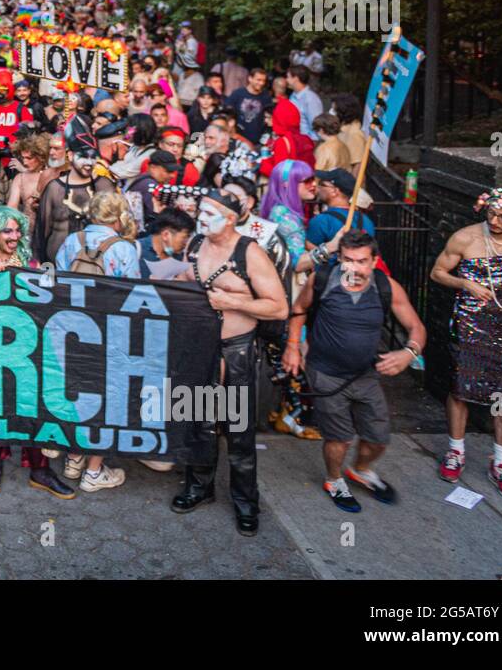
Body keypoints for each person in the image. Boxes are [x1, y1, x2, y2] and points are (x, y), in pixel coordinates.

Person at [174, 190, 288, 536]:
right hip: (200, 348)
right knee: (200, 421)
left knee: (238, 432)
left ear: (231, 218)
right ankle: (199, 487)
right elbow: (189, 280)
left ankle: (245, 503)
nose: (202, 217)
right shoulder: (196, 243)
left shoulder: (249, 252)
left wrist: (233, 302)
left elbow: (278, 307)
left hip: (236, 351)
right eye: (201, 211)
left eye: (210, 212)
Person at [284, 230, 425, 511]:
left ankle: (360, 469)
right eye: (347, 260)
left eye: (361, 261)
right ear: (339, 259)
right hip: (325, 374)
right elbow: (299, 309)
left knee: (378, 437)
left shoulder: (387, 287)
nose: (353, 268)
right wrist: (292, 345)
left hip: (366, 375)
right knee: (340, 438)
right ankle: (334, 479)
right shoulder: (322, 279)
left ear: (374, 261)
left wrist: (409, 352)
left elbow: (416, 327)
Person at [429, 188, 502, 501]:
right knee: (461, 388)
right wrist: (465, 283)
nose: (495, 220)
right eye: (491, 213)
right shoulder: (464, 238)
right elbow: (437, 272)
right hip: (469, 324)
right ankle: (456, 452)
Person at [0, 205, 75, 499]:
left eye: (17, 230)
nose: (14, 236)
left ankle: (39, 468)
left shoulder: (31, 264)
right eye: (7, 230)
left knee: (32, 407)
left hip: (28, 352)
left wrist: (19, 274)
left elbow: (51, 296)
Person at [54, 192, 139, 492]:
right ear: (118, 217)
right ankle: (93, 470)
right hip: (110, 332)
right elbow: (133, 294)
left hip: (75, 331)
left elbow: (59, 283)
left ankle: (74, 458)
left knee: (79, 397)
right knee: (106, 400)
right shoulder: (125, 249)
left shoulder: (71, 242)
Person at [33, 126, 116, 265]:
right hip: (58, 269)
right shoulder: (54, 188)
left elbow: (116, 226)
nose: (89, 163)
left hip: (96, 270)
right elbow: (41, 232)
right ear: (70, 155)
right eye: (83, 157)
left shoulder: (104, 186)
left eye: (93, 157)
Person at [307, 168, 374, 247]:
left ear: (334, 191)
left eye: (321, 184)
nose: (317, 187)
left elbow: (308, 255)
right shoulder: (366, 220)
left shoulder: (322, 221)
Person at [259, 97, 315, 178]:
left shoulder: (282, 142)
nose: (266, 120)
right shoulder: (305, 139)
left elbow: (280, 174)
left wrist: (264, 164)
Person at [136, 208, 194, 279]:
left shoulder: (179, 259)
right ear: (166, 235)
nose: (186, 243)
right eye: (184, 238)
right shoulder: (135, 251)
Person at [226, 68, 271, 146]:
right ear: (250, 78)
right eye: (258, 80)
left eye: (263, 80)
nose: (261, 83)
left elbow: (269, 117)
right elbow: (227, 113)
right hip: (238, 139)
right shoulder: (237, 94)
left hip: (258, 141)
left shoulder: (266, 96)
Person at [285, 65, 323, 142]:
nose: (286, 80)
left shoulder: (311, 99)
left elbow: (317, 128)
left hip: (306, 145)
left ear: (295, 79)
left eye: (288, 77)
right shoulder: (293, 95)